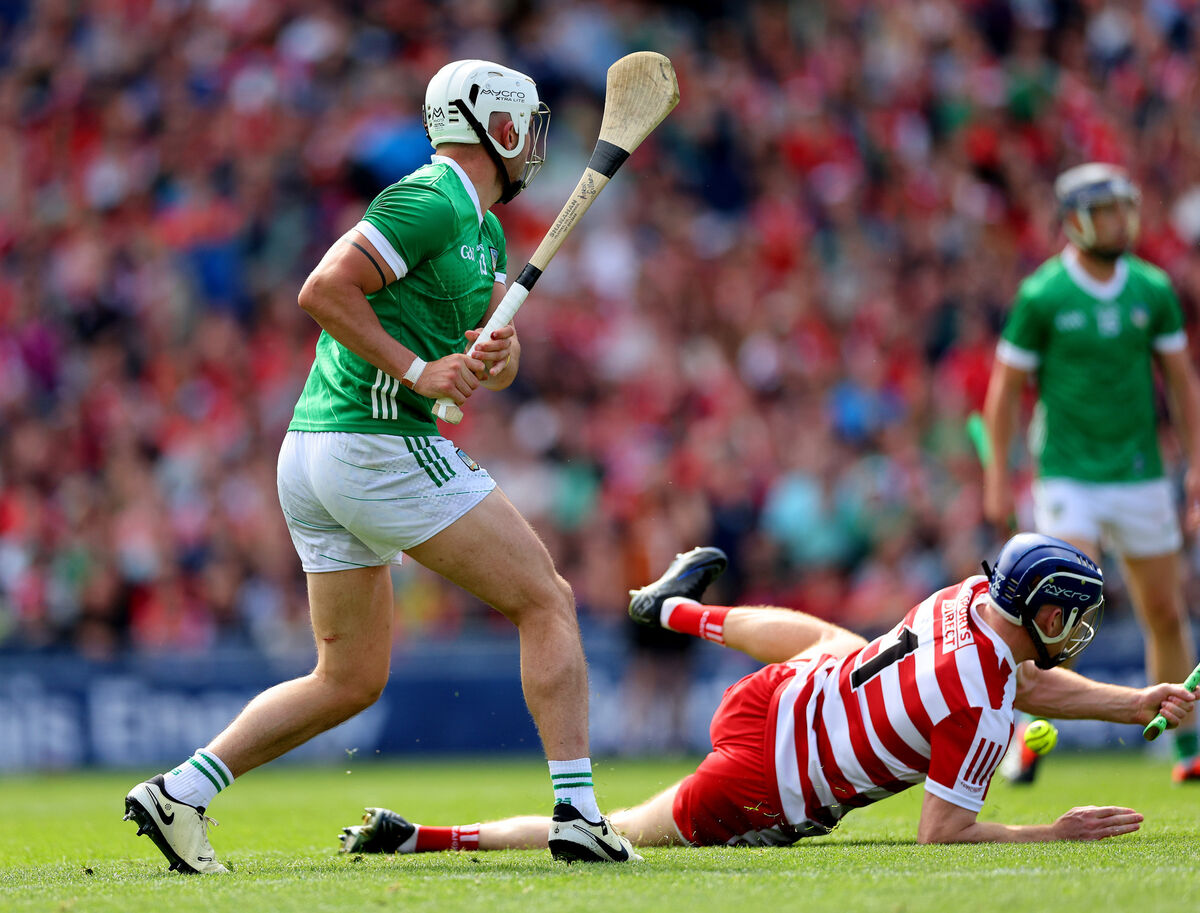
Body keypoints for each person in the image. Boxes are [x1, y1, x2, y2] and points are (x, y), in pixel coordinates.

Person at [122, 59, 638, 873]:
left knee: (349, 676)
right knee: (547, 598)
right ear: (492, 125)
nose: (533, 143)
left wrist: (493, 356)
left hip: (317, 452)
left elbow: (487, 355)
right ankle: (577, 812)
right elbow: (323, 288)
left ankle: (179, 791)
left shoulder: (486, 229)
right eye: (525, 124)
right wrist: (415, 368)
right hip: (376, 441)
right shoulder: (428, 198)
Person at [336, 538, 1198, 853]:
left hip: (771, 696)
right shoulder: (979, 701)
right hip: (760, 784)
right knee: (615, 830)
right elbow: (945, 833)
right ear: (1035, 607)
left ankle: (677, 609)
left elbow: (1028, 677)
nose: (1076, 624)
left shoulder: (964, 605)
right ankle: (425, 838)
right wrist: (1052, 828)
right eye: (1069, 610)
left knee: (841, 645)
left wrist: (1133, 703)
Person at [981, 163, 1200, 784]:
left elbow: (1182, 383)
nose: (1118, 222)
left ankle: (1184, 748)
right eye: (1104, 212)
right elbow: (1004, 391)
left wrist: (1196, 464)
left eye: (1123, 209)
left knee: (1163, 608)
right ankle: (1025, 738)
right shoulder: (1043, 295)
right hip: (1068, 474)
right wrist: (998, 474)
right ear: (1075, 219)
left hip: (1139, 473)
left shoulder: (1152, 290)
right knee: (1056, 609)